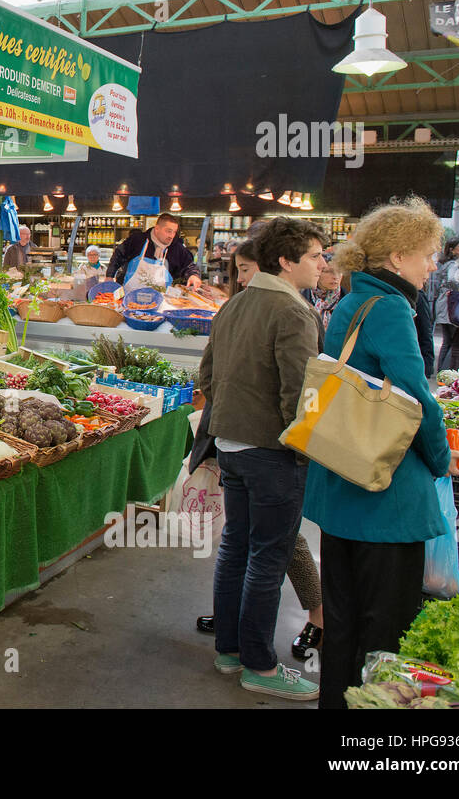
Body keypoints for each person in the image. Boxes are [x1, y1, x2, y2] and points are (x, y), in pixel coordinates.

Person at [302, 198, 459, 710]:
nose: (433, 264)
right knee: (386, 626)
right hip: (384, 496)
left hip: (340, 482)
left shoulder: (352, 300)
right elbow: (415, 400)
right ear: (397, 257)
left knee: (343, 617)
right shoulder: (391, 308)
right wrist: (443, 460)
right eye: (427, 254)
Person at [197, 216, 327, 701]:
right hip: (273, 452)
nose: (321, 264)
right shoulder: (294, 313)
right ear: (287, 261)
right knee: (267, 558)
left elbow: (206, 375)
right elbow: (302, 396)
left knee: (235, 548)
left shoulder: (236, 305)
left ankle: (230, 651)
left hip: (229, 444)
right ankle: (260, 665)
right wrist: (313, 449)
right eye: (314, 256)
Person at [106, 213, 202, 290]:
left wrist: (193, 275)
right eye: (168, 231)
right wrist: (109, 275)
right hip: (129, 295)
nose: (171, 236)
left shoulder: (177, 248)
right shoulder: (137, 240)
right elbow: (118, 255)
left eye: (174, 232)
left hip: (160, 300)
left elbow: (189, 265)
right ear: (157, 229)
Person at [430, 236, 459, 370]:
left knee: (447, 340)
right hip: (449, 304)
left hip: (445, 303)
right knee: (451, 340)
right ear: (452, 250)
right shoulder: (454, 264)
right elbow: (453, 280)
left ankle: (442, 369)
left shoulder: (448, 263)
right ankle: (444, 370)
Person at [302, 253, 343, 330]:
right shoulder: (301, 298)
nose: (335, 276)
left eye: (339, 271)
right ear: (317, 272)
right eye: (328, 271)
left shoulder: (346, 301)